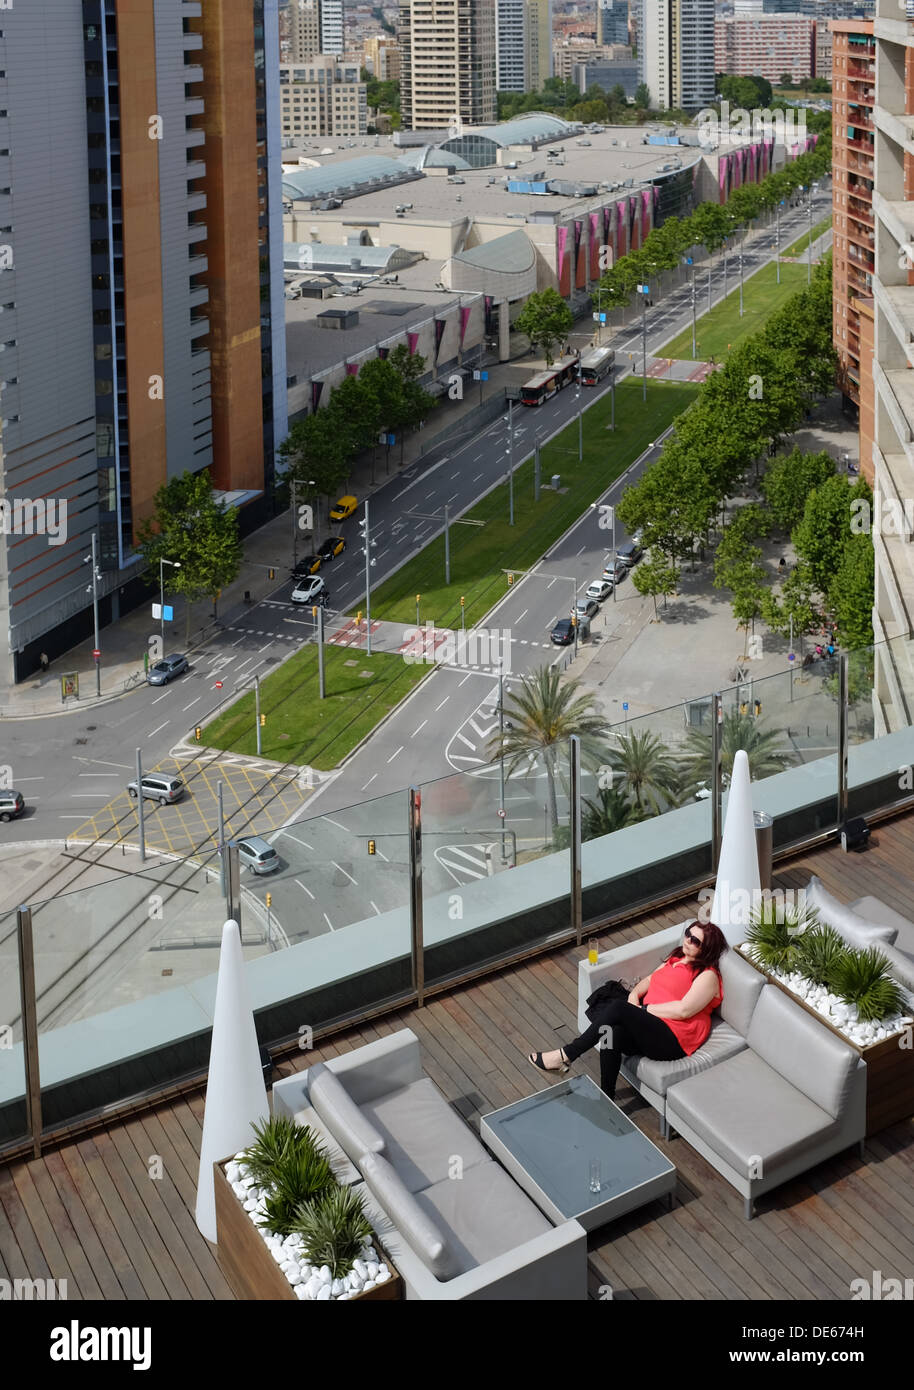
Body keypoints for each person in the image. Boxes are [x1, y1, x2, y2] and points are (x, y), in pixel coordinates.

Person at [528, 922, 727, 1099]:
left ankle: (566, 1054)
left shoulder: (707, 975)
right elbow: (650, 979)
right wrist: (633, 996)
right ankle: (607, 1096)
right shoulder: (677, 957)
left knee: (617, 1007)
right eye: (688, 934)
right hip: (650, 1027)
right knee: (610, 1034)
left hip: (672, 1039)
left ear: (707, 949)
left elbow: (684, 1010)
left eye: (695, 941)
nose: (688, 941)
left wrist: (643, 1009)